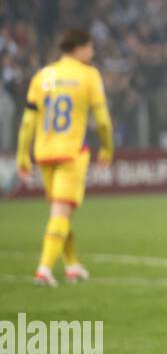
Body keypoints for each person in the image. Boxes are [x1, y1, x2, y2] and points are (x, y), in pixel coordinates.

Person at [16, 28, 113, 286]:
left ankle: (72, 265)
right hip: (70, 153)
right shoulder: (88, 75)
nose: (92, 53)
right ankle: (44, 270)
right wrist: (107, 148)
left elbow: (28, 121)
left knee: (61, 211)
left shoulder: (44, 76)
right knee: (61, 212)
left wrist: (22, 155)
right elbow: (102, 121)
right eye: (90, 47)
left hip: (43, 153)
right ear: (79, 48)